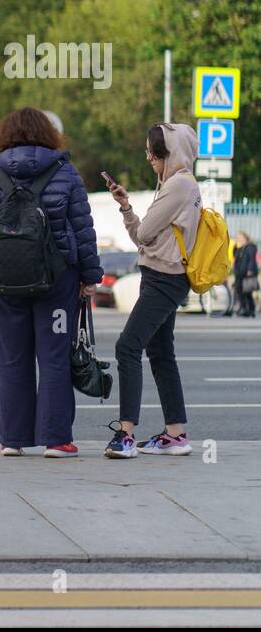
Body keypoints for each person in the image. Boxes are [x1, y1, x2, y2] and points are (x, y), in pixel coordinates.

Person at [0, 107, 102, 459]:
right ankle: (56, 440)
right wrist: (90, 276)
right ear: (48, 134)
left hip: (5, 281)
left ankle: (13, 439)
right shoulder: (66, 173)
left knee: (12, 359)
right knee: (54, 357)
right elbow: (83, 232)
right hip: (56, 281)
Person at [102, 123, 201, 458]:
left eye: (152, 152)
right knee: (160, 354)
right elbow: (144, 238)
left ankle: (126, 434)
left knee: (127, 346)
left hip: (164, 279)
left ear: (169, 153)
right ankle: (176, 434)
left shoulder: (178, 186)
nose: (148, 158)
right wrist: (126, 207)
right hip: (162, 276)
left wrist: (134, 218)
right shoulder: (176, 185)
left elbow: (143, 236)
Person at [231, 232, 257, 318]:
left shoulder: (250, 247)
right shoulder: (240, 248)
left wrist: (250, 270)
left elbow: (251, 259)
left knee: (247, 293)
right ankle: (244, 309)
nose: (238, 239)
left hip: (246, 274)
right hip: (239, 274)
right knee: (239, 291)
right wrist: (235, 246)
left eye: (239, 237)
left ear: (245, 237)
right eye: (237, 237)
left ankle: (251, 310)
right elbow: (235, 256)